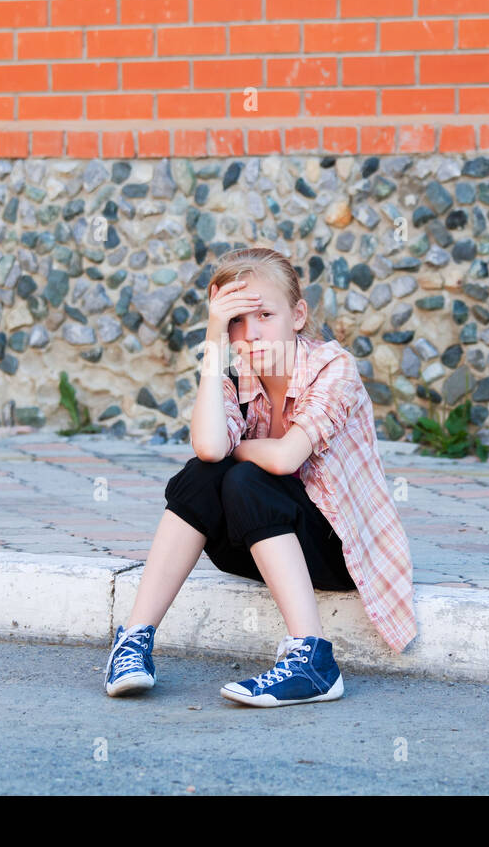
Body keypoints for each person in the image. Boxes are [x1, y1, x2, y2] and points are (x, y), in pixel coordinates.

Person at [102, 246, 417, 706]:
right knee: (201, 475)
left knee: (243, 477)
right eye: (236, 321)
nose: (252, 333)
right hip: (265, 543)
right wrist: (212, 338)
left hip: (339, 549)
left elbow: (287, 457)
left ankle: (313, 660)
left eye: (265, 314)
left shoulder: (334, 368)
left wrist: (239, 452)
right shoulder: (234, 380)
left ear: (298, 314)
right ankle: (134, 639)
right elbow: (210, 447)